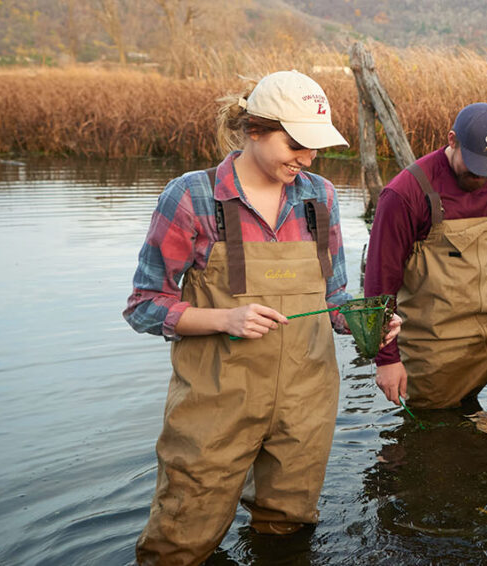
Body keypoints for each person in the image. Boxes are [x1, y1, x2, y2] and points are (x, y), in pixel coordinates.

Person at [123, 70, 400, 565]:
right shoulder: (192, 197)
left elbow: (334, 297)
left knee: (285, 535)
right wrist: (224, 320)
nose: (308, 158)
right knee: (177, 548)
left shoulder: (322, 197)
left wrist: (368, 327)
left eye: (315, 146)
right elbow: (144, 306)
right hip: (215, 408)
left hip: (306, 403)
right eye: (296, 143)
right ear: (254, 130)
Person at [365, 102, 487, 409]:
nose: (482, 177)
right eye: (474, 166)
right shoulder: (405, 193)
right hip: (440, 337)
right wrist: (386, 360)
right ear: (452, 140)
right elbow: (380, 281)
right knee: (437, 430)